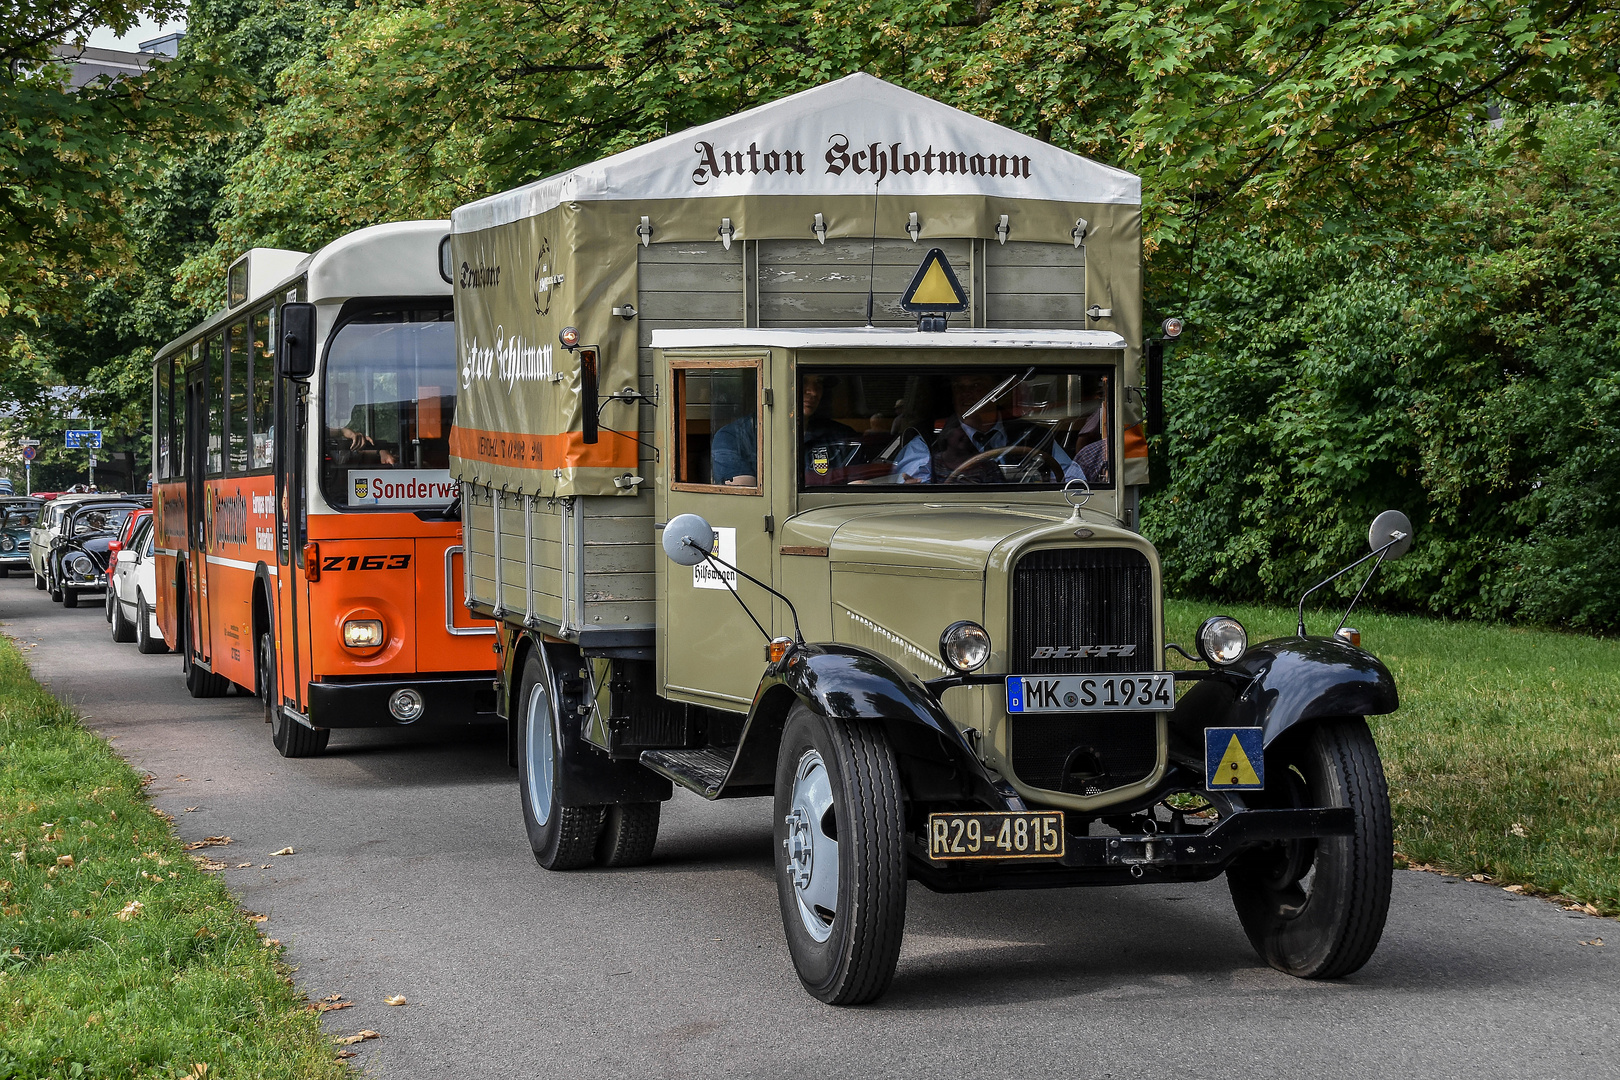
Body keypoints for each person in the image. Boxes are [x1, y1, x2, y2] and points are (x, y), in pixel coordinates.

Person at [891, 371, 1105, 484]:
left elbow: (1072, 482)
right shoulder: (929, 443)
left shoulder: (1035, 436)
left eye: (976, 386)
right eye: (959, 387)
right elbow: (912, 489)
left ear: (996, 393)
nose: (966, 394)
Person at [711, 373, 855, 487]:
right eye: (802, 380)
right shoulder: (732, 438)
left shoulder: (841, 435)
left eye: (818, 382)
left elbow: (859, 489)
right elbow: (744, 499)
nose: (813, 392)